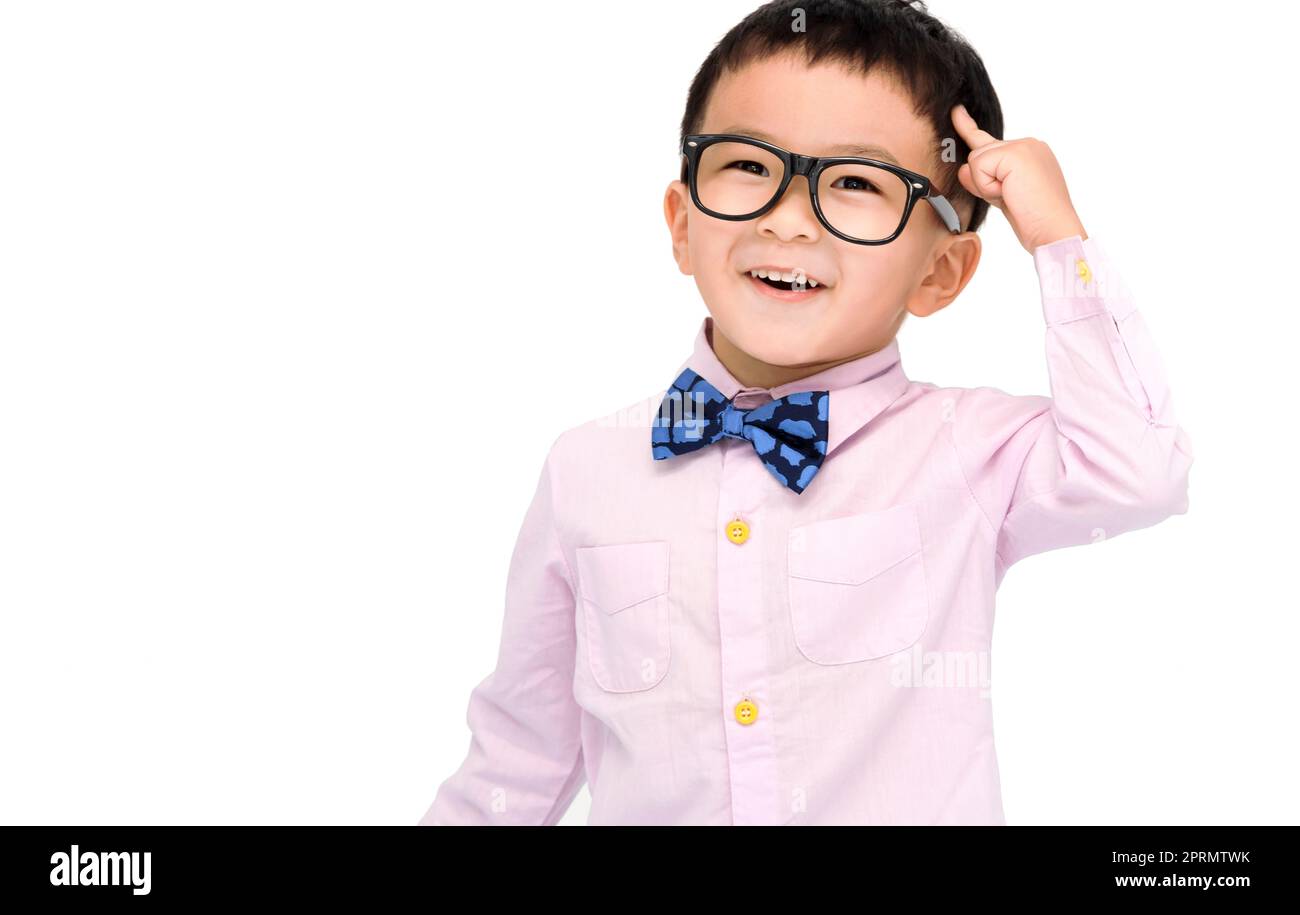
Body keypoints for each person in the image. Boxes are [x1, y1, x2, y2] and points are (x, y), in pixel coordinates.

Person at [417, 0, 1193, 825]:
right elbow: (521, 755)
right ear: (682, 225)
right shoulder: (587, 467)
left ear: (941, 273)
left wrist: (1054, 235)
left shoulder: (966, 451)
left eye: (857, 183)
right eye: (748, 165)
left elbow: (1139, 470)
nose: (787, 217)